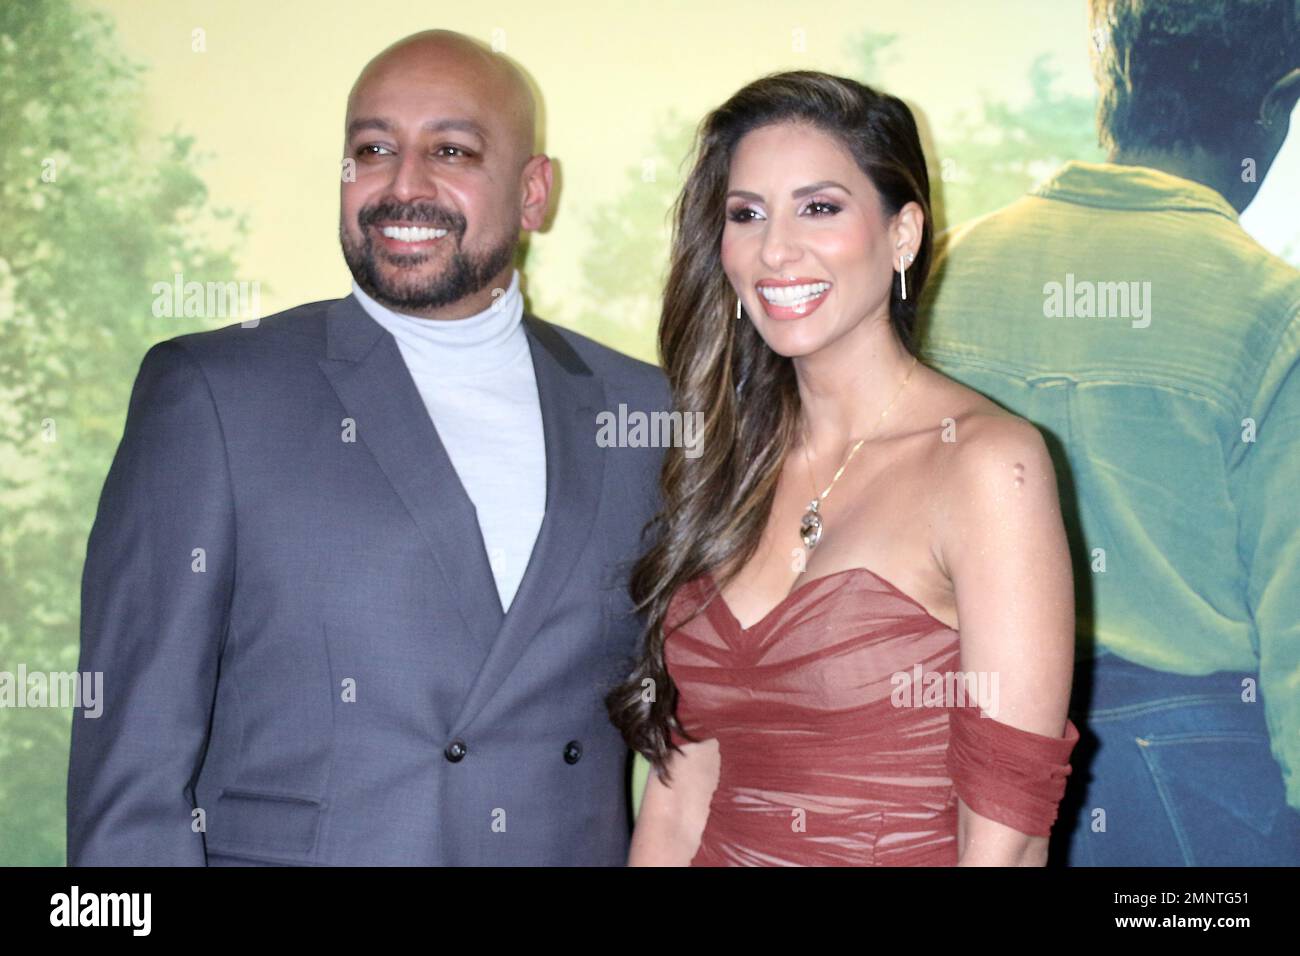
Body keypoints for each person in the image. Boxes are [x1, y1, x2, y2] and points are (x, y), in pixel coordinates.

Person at [67, 30, 669, 866]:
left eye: (451, 149)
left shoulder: (649, 413)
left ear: (534, 193)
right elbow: (130, 778)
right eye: (372, 149)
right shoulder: (213, 394)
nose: (402, 184)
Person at [607, 70, 1079, 866]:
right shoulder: (723, 462)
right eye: (746, 214)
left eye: (819, 208)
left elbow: (1010, 835)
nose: (775, 248)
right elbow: (679, 796)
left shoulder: (990, 465)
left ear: (902, 234)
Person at [918, 0, 1300, 865]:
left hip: (966, 763)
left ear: (1108, 79)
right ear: (1278, 102)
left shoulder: (939, 276)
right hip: (1200, 788)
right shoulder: (1277, 316)